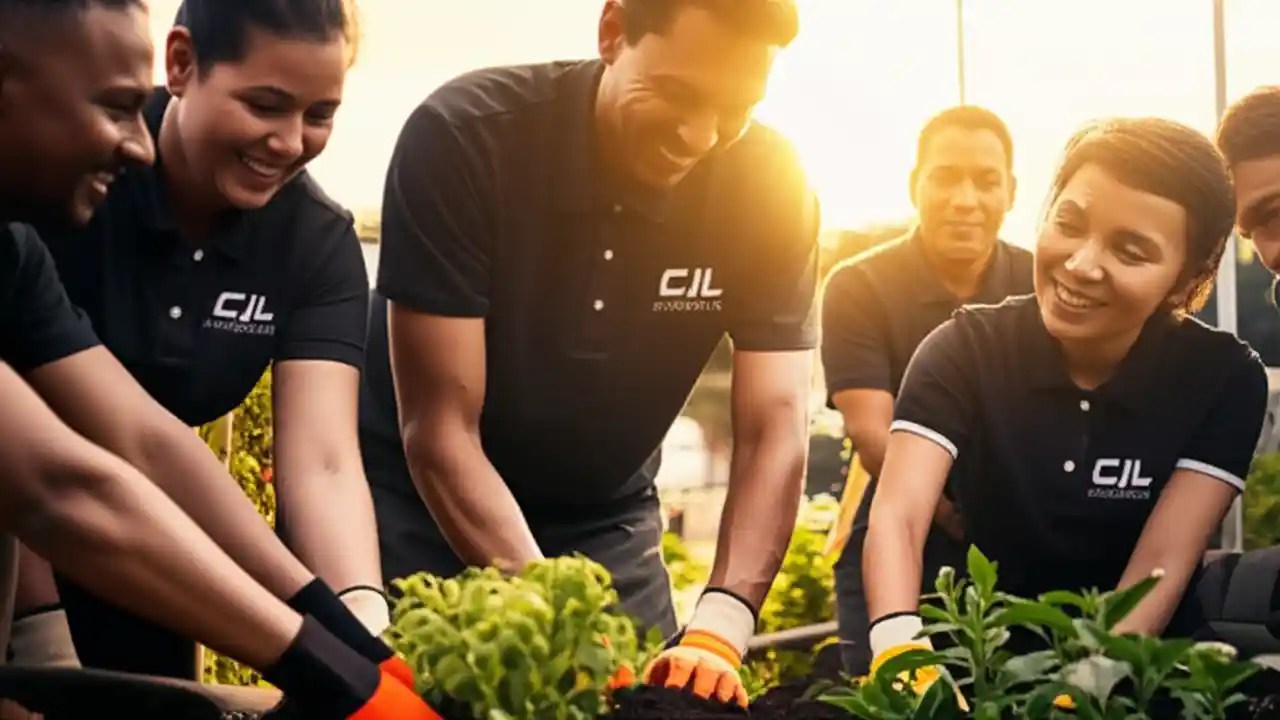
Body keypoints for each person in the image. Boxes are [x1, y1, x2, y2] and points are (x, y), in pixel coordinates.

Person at [358, 0, 816, 706]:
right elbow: (439, 430)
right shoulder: (465, 137)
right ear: (612, 31)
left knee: (646, 703)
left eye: (737, 110)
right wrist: (559, 618)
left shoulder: (772, 187)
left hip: (607, 513)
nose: (700, 136)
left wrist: (721, 625)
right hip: (421, 502)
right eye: (677, 93)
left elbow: (774, 424)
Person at [0, 0, 440, 718]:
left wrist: (350, 634)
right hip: (39, 548)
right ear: (180, 65)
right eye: (264, 105)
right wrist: (41, 636)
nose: (137, 144)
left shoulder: (15, 250)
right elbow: (57, 484)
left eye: (319, 114)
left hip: (153, 551)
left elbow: (149, 441)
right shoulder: (64, 194)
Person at [862, 117, 1267, 690]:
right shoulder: (964, 349)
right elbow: (900, 514)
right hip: (982, 660)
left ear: (1186, 278)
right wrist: (898, 645)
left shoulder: (1224, 379)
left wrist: (1091, 684)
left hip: (1140, 672)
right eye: (1069, 224)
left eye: (1130, 251)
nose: (1080, 264)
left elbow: (1164, 557)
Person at [819, 105, 1031, 677]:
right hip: (899, 526)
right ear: (916, 184)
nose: (966, 199)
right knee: (892, 693)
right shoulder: (859, 286)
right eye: (946, 177)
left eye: (986, 181)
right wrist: (959, 518)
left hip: (1019, 533)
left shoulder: (1041, 284)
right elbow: (872, 431)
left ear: (1011, 192)